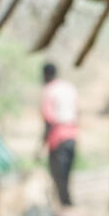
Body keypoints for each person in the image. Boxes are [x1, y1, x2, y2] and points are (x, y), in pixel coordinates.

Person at [40, 62, 79, 206]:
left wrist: (41, 146)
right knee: (66, 176)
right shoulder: (69, 88)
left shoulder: (49, 90)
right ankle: (67, 205)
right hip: (72, 136)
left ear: (46, 74)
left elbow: (49, 121)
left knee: (59, 177)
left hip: (58, 138)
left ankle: (65, 207)